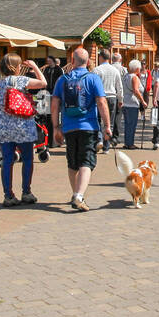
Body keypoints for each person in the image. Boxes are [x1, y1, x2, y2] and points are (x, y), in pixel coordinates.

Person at [51, 46, 110, 212]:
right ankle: (78, 196)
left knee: (72, 162)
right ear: (89, 61)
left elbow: (55, 105)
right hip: (88, 126)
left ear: (72, 61)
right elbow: (101, 102)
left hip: (69, 127)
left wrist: (56, 127)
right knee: (87, 161)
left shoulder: (62, 80)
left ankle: (75, 193)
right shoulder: (93, 78)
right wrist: (107, 125)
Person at [0, 53, 47, 207]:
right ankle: (26, 192)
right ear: (17, 67)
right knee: (27, 159)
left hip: (4, 128)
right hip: (23, 127)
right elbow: (43, 83)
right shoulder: (21, 80)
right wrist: (34, 66)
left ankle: (8, 195)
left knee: (7, 161)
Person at [92, 48, 123, 145]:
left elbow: (92, 85)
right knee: (110, 121)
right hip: (112, 97)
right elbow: (119, 87)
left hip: (99, 97)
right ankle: (106, 145)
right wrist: (120, 99)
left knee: (98, 119)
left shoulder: (96, 70)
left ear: (100, 57)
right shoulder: (115, 70)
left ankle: (99, 139)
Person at [121, 59, 147, 149]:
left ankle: (127, 142)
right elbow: (136, 90)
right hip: (132, 103)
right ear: (136, 68)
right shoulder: (134, 77)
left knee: (127, 124)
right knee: (132, 124)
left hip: (125, 102)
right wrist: (142, 101)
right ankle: (130, 143)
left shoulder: (125, 76)